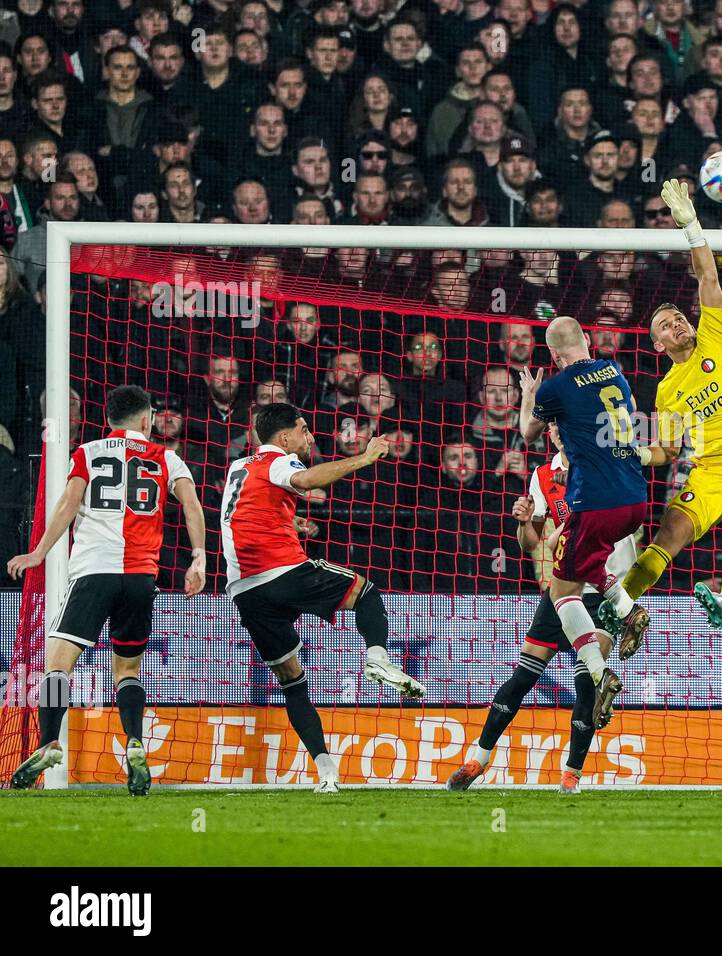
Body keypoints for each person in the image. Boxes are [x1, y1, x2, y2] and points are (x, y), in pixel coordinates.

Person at [599, 179, 722, 633]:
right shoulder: (667, 389)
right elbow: (665, 451)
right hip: (708, 472)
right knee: (668, 536)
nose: (678, 323)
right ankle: (619, 606)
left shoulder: (717, 335)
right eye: (666, 324)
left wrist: (691, 225)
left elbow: (707, 277)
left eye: (679, 317)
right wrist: (640, 453)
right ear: (658, 345)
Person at [7, 386, 206, 794]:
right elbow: (191, 504)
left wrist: (39, 553)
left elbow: (66, 504)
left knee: (57, 666)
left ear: (108, 419)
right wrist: (199, 557)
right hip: (140, 579)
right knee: (128, 670)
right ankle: (134, 740)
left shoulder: (89, 452)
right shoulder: (168, 458)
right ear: (147, 419)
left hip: (93, 572)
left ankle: (48, 742)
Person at [220, 402, 425, 794]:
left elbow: (235, 516)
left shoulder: (237, 468)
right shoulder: (278, 462)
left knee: (291, 679)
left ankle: (326, 770)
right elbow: (308, 481)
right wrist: (365, 458)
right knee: (365, 592)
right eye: (303, 429)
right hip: (282, 571)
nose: (310, 436)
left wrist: (286, 520)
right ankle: (378, 657)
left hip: (244, 590)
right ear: (283, 438)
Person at [447, 422, 638, 793]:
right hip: (565, 586)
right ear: (550, 433)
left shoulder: (605, 462)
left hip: (606, 583)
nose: (563, 432)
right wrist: (523, 523)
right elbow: (530, 542)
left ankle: (571, 775)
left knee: (586, 685)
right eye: (556, 426)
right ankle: (479, 760)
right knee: (524, 676)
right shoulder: (543, 476)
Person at [516, 316, 649, 731]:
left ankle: (605, 659)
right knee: (582, 569)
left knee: (562, 590)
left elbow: (527, 431)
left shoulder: (555, 386)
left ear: (553, 355)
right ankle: (624, 613)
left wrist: (531, 395)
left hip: (597, 500)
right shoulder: (614, 370)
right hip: (635, 499)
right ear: (588, 340)